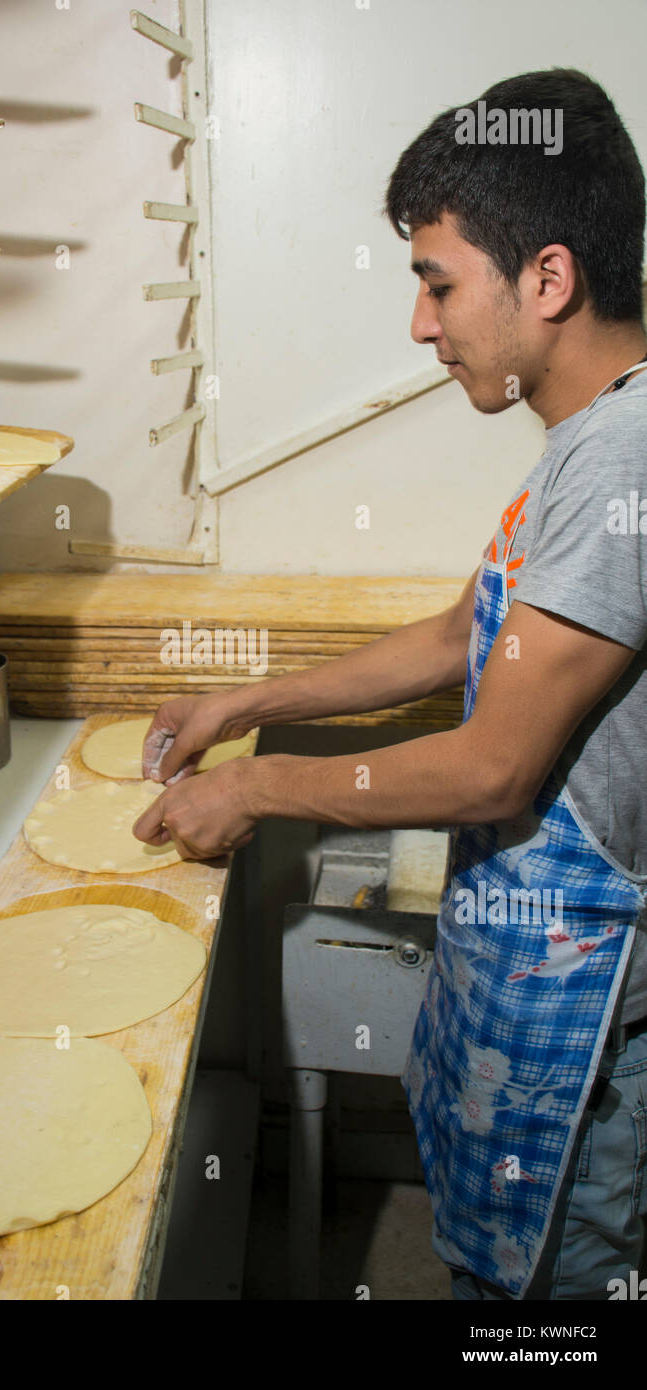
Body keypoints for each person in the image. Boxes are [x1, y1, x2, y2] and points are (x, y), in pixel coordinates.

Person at [132, 68, 647, 1301]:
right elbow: (449, 636)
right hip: (522, 986)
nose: (422, 326)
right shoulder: (586, 443)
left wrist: (254, 791)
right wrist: (242, 701)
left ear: (547, 280)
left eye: (436, 282)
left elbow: (490, 765)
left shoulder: (626, 464)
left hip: (586, 1036)